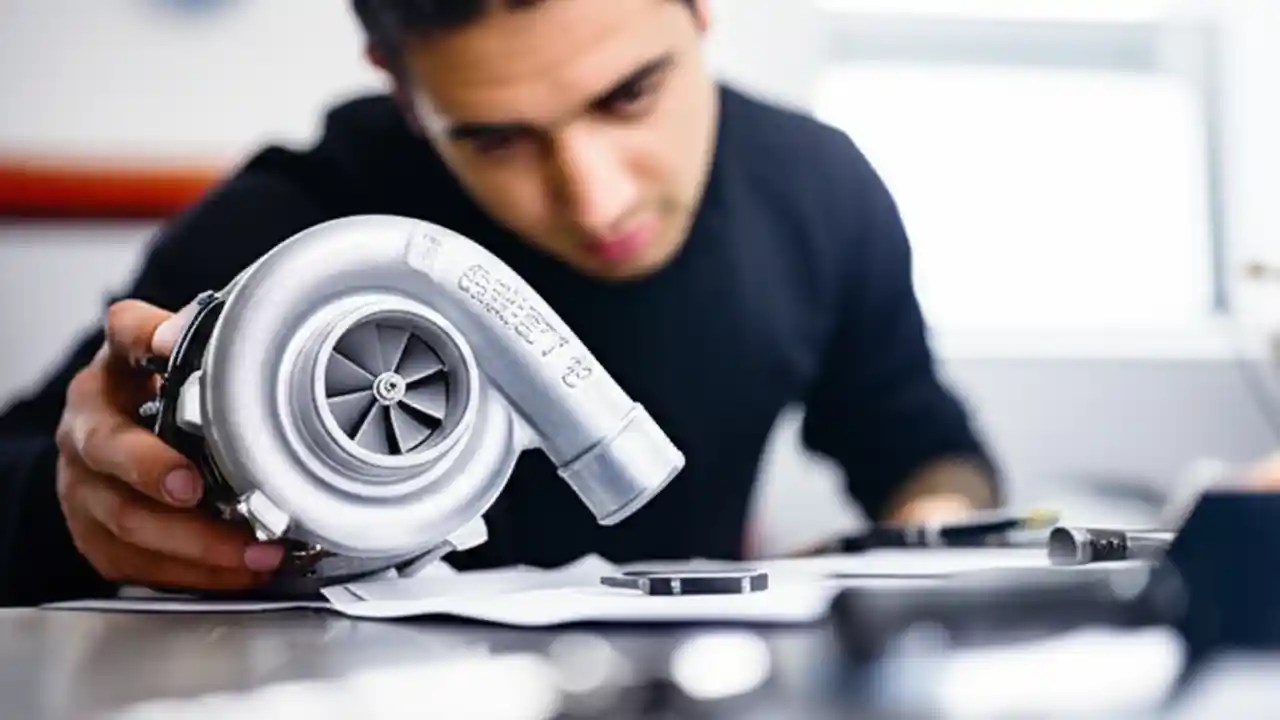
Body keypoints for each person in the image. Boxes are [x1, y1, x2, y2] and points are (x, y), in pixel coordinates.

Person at [0, 0, 1001, 606]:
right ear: (398, 87)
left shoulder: (819, 190)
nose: (595, 198)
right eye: (494, 138)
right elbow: (23, 473)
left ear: (698, 9)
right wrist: (75, 504)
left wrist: (925, 529)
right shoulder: (294, 232)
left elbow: (917, 442)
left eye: (629, 95)